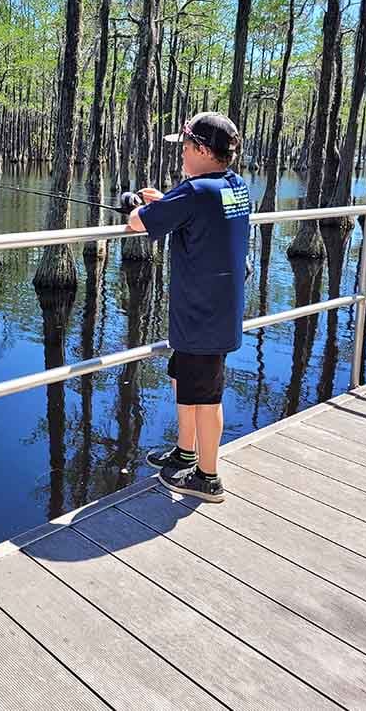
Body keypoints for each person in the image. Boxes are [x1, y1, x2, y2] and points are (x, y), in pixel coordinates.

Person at [126, 112, 250, 502]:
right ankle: (185, 453)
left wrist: (134, 205)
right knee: (184, 381)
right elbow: (201, 215)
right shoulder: (235, 186)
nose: (180, 154)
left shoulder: (195, 192)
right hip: (213, 311)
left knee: (207, 396)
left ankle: (208, 478)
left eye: (183, 147)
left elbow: (136, 223)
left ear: (200, 149)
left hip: (202, 317)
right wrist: (168, 203)